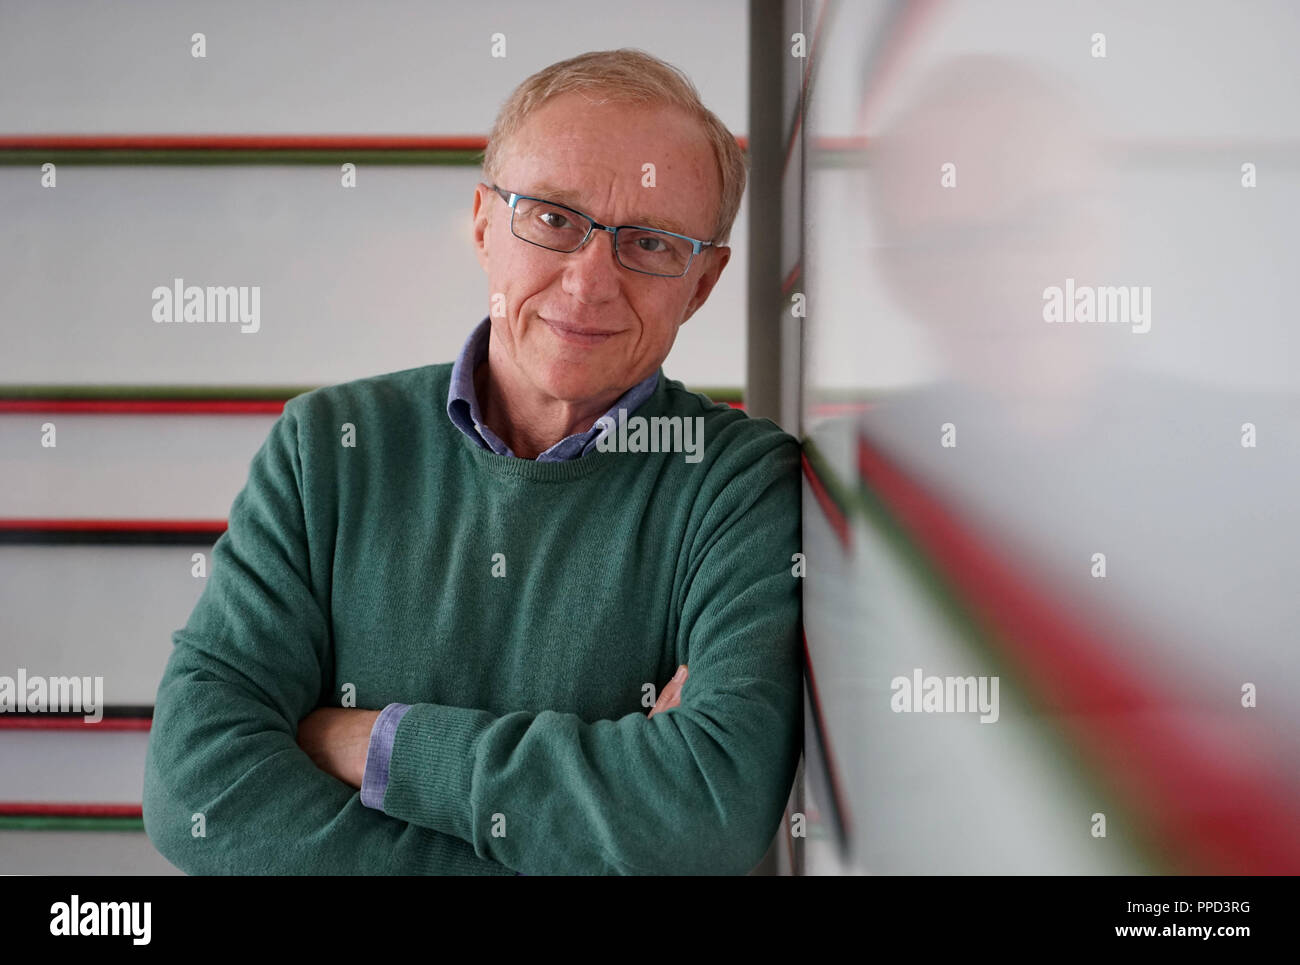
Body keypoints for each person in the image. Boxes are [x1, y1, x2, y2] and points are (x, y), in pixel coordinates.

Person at [142, 48, 803, 875]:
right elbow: (196, 789)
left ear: (701, 284)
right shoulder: (327, 447)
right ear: (486, 223)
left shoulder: (742, 485)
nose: (590, 281)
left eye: (651, 243)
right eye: (555, 219)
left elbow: (700, 816)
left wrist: (373, 739)